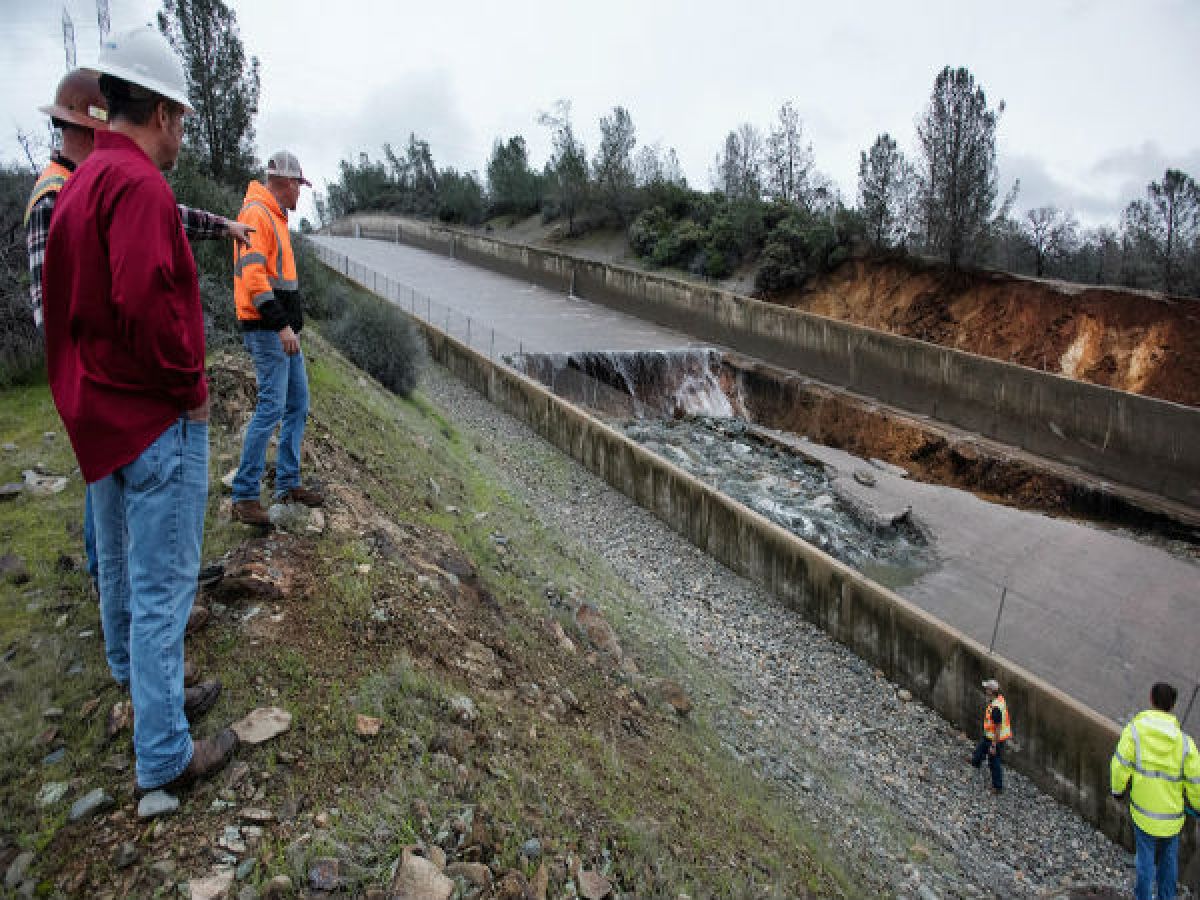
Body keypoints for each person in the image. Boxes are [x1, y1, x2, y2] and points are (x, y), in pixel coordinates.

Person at [41, 24, 238, 793]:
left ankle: (146, 690)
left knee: (124, 571)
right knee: (166, 583)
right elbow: (149, 309)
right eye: (182, 117)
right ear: (160, 112)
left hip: (103, 420)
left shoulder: (79, 183)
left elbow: (67, 311)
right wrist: (192, 390)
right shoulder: (140, 187)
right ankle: (164, 754)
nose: (182, 132)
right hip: (155, 421)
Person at [25, 69, 251, 619]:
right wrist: (190, 390)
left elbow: (163, 219)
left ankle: (123, 627)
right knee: (143, 570)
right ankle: (127, 612)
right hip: (120, 399)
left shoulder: (85, 182)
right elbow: (71, 309)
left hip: (104, 394)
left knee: (123, 542)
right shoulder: (62, 194)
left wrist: (221, 225)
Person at [229, 150, 324, 525]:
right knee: (271, 406)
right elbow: (254, 280)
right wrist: (282, 326)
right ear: (285, 182)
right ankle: (244, 494)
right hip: (268, 330)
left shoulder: (275, 216)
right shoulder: (257, 214)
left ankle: (287, 483)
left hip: (284, 331)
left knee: (297, 403)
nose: (300, 192)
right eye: (299, 185)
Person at [1111, 682, 1200, 900]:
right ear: (1173, 705)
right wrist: (1198, 807)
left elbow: (1119, 765)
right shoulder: (1185, 744)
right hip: (1172, 819)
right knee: (1168, 862)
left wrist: (1117, 791)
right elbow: (1195, 782)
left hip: (1143, 813)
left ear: (1151, 699)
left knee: (1145, 861)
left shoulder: (1135, 731)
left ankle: (1143, 897)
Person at [970, 678, 1011, 794]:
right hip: (989, 735)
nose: (985, 690)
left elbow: (997, 727)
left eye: (987, 688)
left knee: (994, 761)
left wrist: (994, 745)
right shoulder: (1000, 700)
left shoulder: (996, 708)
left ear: (991, 691)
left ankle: (997, 787)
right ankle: (975, 762)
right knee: (981, 747)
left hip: (995, 738)